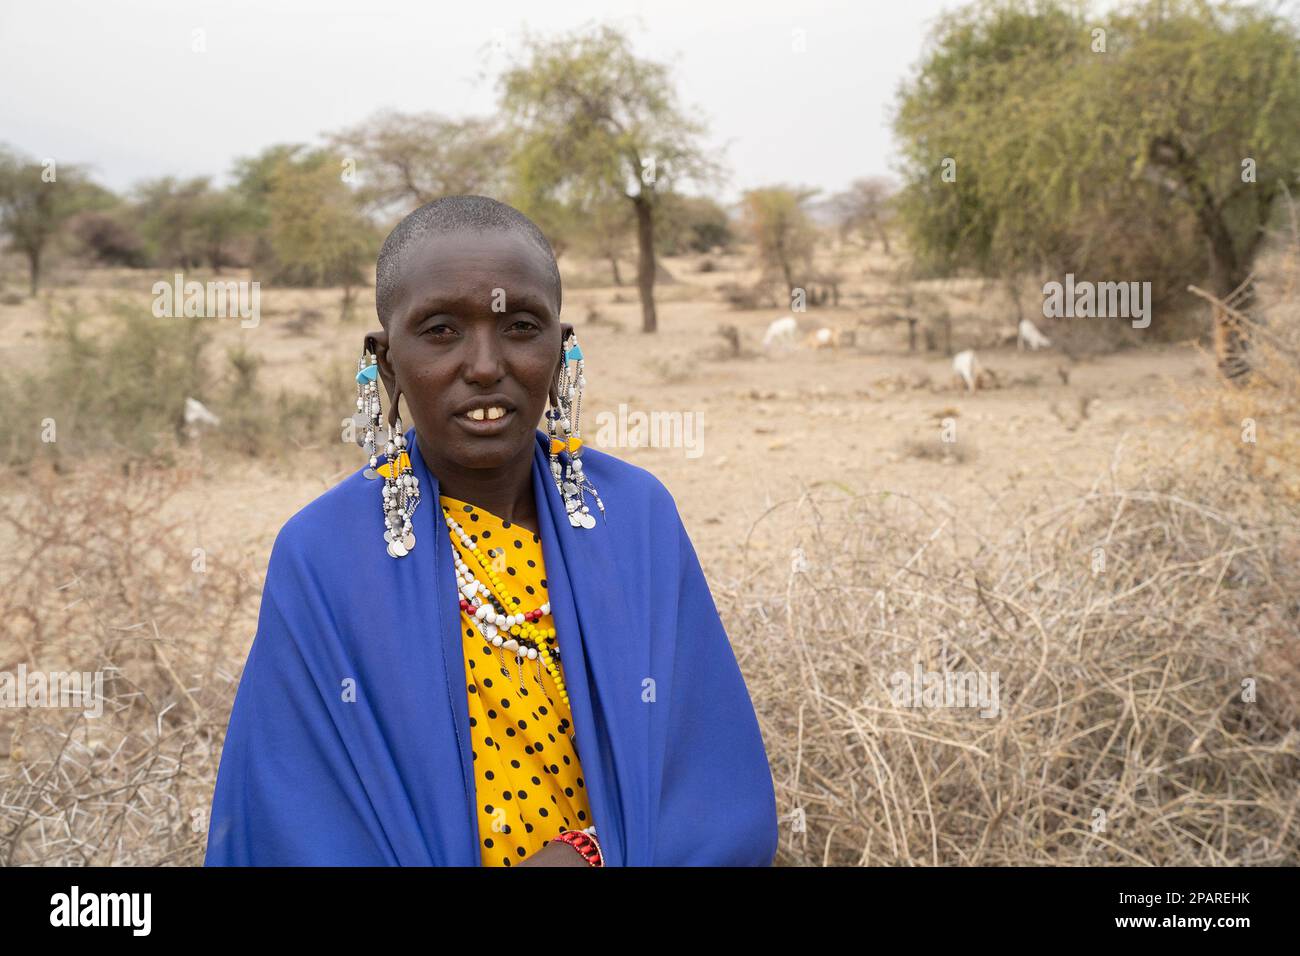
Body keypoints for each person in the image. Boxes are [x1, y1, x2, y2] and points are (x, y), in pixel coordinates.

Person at [203, 195, 778, 866]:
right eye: (441, 329)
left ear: (563, 350)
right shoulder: (324, 555)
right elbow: (292, 821)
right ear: (386, 361)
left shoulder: (636, 520)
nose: (483, 364)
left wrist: (586, 856)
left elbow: (716, 792)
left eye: (520, 326)